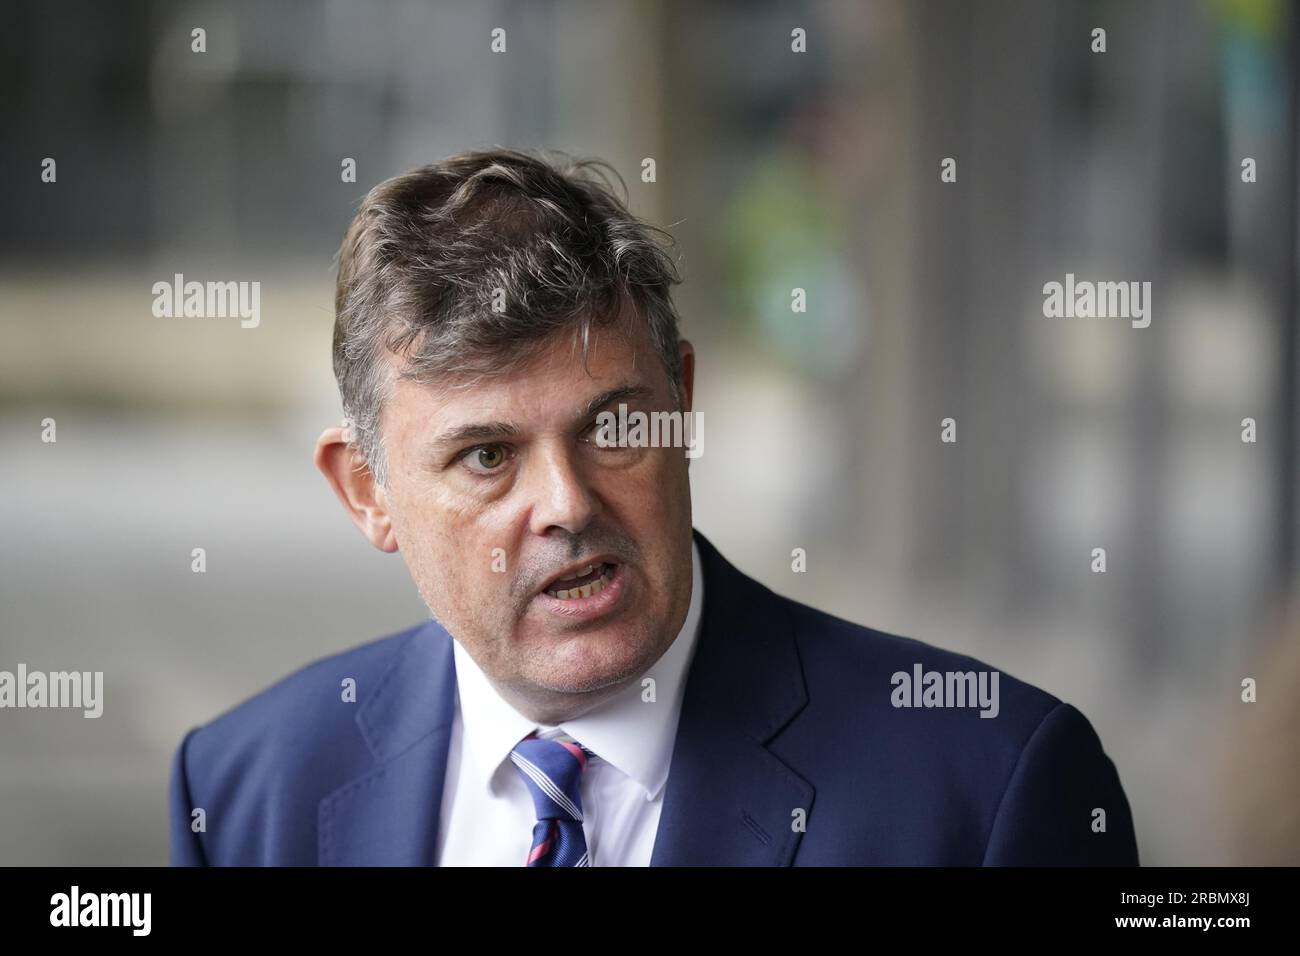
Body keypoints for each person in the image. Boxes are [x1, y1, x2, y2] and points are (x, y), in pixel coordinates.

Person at [168, 147, 1138, 866]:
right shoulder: (246, 791)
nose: (565, 503)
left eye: (615, 426)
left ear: (680, 398)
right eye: (487, 454)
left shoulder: (986, 786)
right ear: (367, 491)